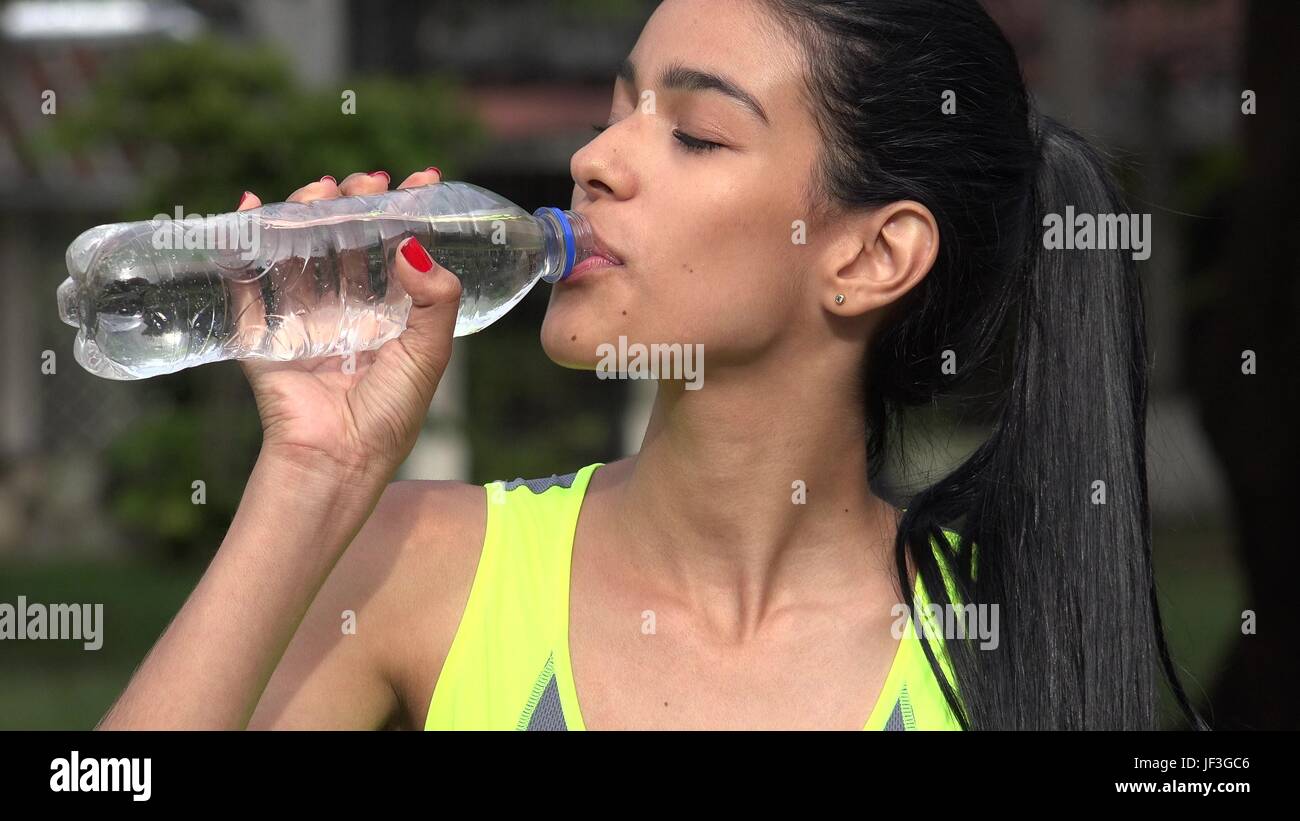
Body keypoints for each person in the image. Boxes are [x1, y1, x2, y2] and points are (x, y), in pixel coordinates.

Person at [99, 0, 1205, 731]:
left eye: (695, 133)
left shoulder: (1007, 639)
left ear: (872, 254)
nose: (593, 159)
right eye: (622, 104)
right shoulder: (419, 565)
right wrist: (314, 474)